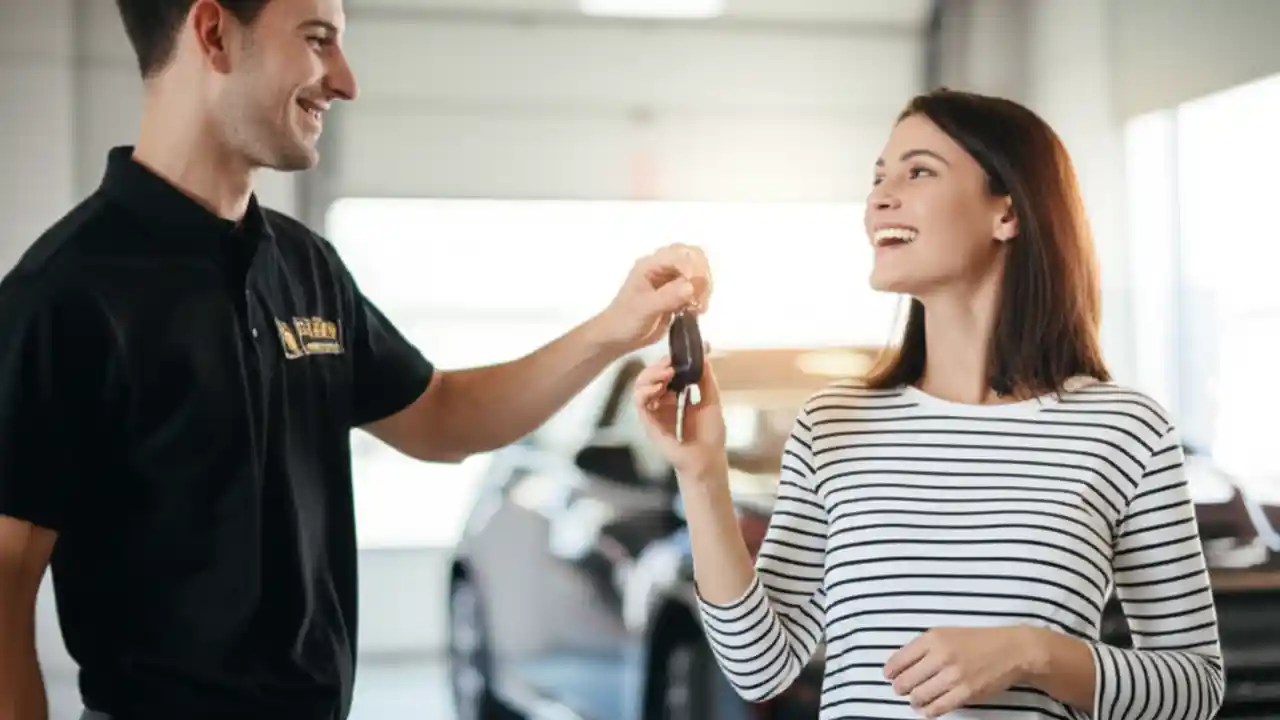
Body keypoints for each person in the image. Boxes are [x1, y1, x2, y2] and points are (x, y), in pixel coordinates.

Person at [0, 1, 711, 719]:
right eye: (318, 42)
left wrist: (614, 330)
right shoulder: (63, 296)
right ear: (214, 33)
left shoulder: (305, 267)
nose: (345, 81)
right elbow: (4, 587)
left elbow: (442, 416)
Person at [633, 88, 1225, 720]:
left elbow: (1194, 687)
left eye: (918, 172)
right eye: (878, 177)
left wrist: (1034, 653)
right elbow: (760, 666)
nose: (880, 197)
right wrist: (700, 473)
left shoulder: (1123, 430)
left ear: (1008, 212)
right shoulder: (833, 423)